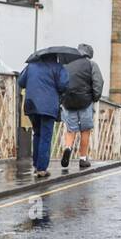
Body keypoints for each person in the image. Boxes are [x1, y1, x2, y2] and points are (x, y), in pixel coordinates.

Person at [18, 54, 69, 178]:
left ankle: (36, 165)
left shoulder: (31, 66)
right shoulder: (58, 67)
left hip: (31, 105)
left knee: (37, 133)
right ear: (55, 57)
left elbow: (21, 82)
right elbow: (64, 85)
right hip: (48, 106)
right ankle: (41, 168)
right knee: (46, 136)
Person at [59, 43, 103, 171]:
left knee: (71, 130)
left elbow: (62, 82)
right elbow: (98, 83)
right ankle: (83, 159)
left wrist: (63, 99)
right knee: (85, 130)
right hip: (85, 101)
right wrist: (95, 97)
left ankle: (68, 148)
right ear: (89, 54)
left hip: (68, 101)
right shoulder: (91, 65)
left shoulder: (67, 65)